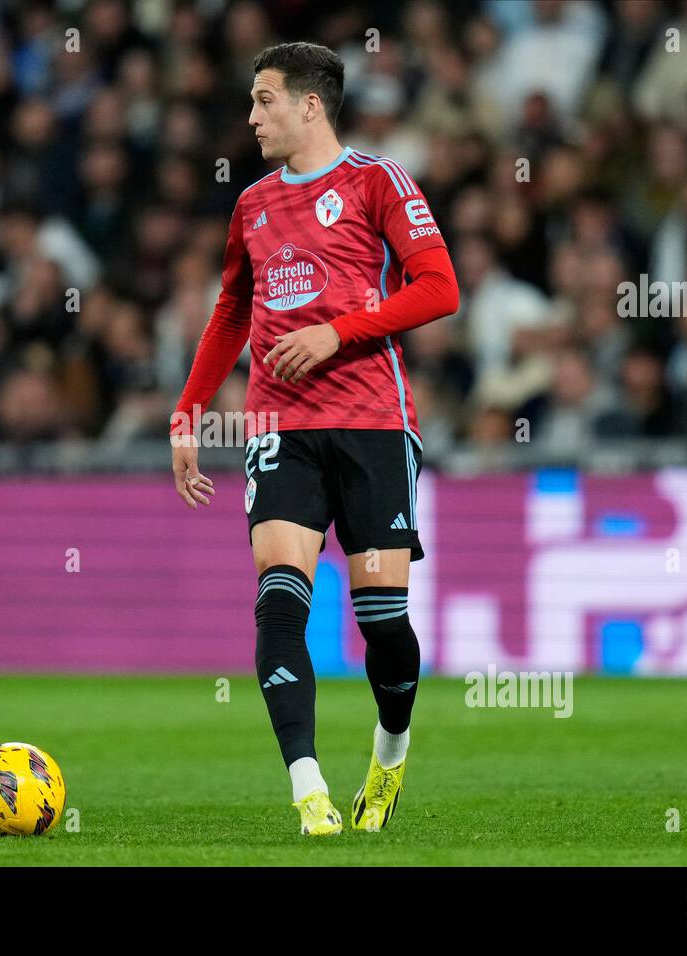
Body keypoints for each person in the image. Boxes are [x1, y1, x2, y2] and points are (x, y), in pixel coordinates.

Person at [168, 42, 460, 835]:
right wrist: (188, 411)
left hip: (372, 423)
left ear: (309, 105)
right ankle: (309, 790)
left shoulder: (378, 181)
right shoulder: (253, 205)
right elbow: (231, 313)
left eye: (264, 100)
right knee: (278, 601)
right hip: (280, 427)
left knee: (382, 624)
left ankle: (389, 758)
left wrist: (338, 334)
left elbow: (440, 287)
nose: (251, 116)